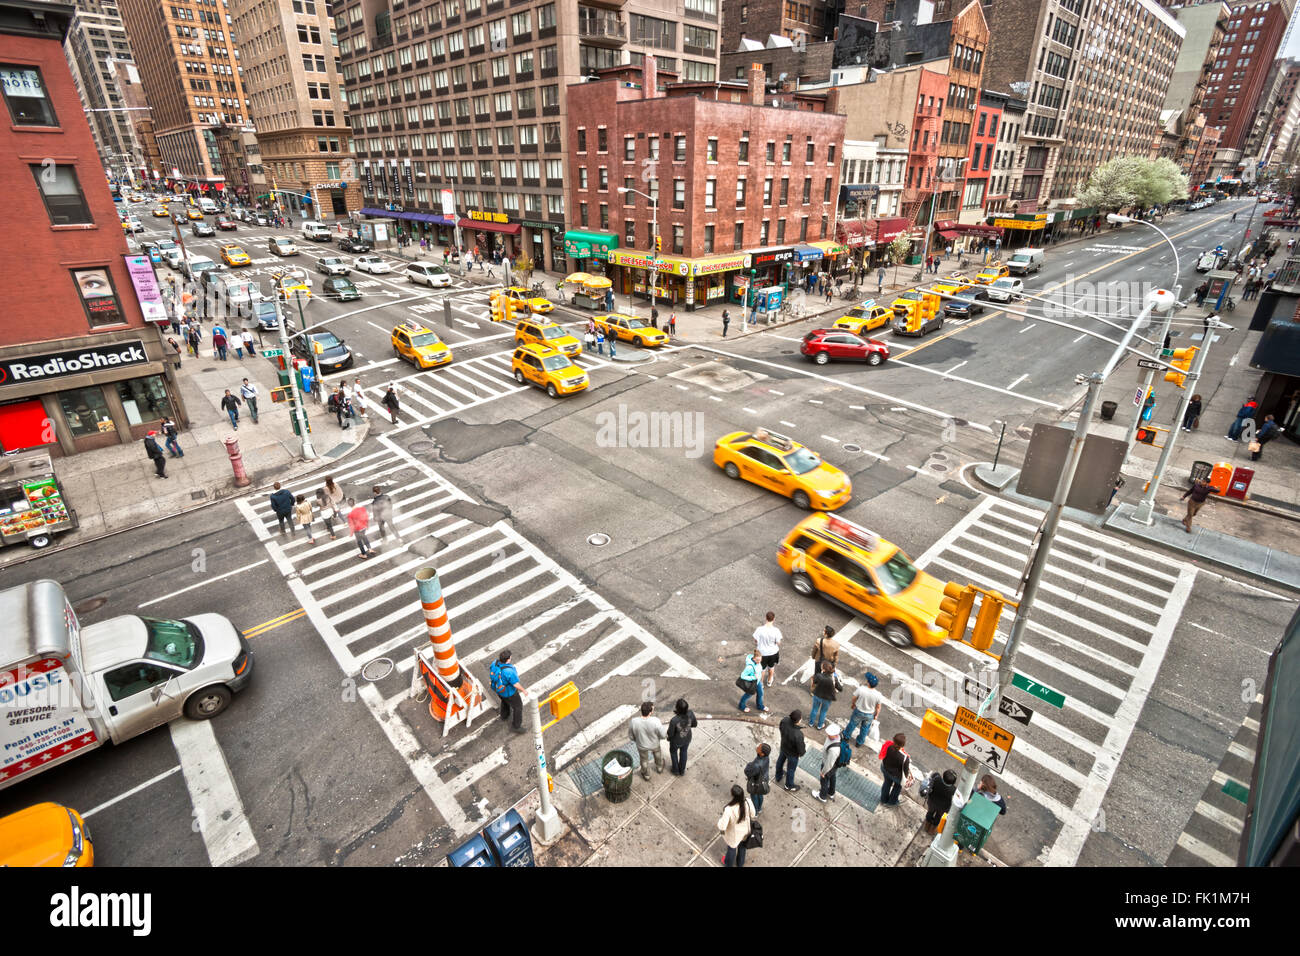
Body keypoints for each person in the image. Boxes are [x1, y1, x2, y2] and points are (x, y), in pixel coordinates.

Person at [717, 785, 756, 868]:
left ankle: (728, 864)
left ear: (733, 796)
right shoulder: (748, 801)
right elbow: (753, 814)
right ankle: (740, 863)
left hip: (734, 835)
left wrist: (722, 833)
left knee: (731, 850)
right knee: (742, 848)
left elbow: (722, 827)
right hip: (746, 831)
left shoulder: (729, 809)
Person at [487, 650, 525, 733]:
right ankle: (516, 726)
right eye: (510, 658)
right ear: (508, 660)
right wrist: (524, 691)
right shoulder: (508, 671)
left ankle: (504, 715)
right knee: (518, 707)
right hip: (509, 693)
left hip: (498, 690)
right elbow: (515, 684)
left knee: (504, 701)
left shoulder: (494, 663)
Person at [628, 701, 667, 779]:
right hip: (655, 744)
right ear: (650, 712)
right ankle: (659, 767)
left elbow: (631, 737)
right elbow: (663, 735)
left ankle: (646, 775)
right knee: (657, 755)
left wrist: (638, 740)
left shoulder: (634, 721)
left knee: (644, 760)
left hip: (641, 745)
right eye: (652, 709)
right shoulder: (656, 721)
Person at [843, 672, 882, 746]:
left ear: (868, 683)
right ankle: (859, 742)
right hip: (869, 714)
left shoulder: (861, 689)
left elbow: (854, 698)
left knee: (852, 724)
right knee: (865, 729)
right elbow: (878, 707)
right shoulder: (878, 695)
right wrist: (876, 715)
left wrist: (853, 704)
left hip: (859, 711)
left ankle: (846, 737)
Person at [774, 709, 806, 792]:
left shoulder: (784, 721)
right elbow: (801, 748)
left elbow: (781, 729)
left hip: (784, 747)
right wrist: (801, 753)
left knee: (780, 761)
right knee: (791, 770)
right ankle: (789, 785)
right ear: (798, 720)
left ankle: (778, 776)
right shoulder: (798, 734)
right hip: (793, 754)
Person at [878, 733, 913, 806]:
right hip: (896, 776)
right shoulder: (905, 758)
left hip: (886, 769)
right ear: (902, 745)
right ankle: (891, 802)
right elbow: (905, 772)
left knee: (887, 784)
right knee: (897, 787)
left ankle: (883, 800)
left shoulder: (889, 746)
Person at [815, 723, 844, 803]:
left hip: (829, 766)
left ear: (835, 735)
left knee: (824, 781)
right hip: (835, 765)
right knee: (832, 777)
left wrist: (823, 772)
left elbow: (829, 764)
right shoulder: (839, 737)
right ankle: (831, 792)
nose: (828, 735)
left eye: (830, 734)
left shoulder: (834, 751)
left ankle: (822, 796)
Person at [667, 698, 697, 775]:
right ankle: (682, 770)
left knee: (673, 753)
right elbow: (695, 724)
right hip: (687, 739)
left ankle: (676, 770)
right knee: (684, 752)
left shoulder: (674, 720)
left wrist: (669, 738)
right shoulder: (691, 713)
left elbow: (670, 733)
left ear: (677, 708)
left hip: (676, 741)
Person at [923, 768, 958, 833]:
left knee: (929, 813)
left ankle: (926, 826)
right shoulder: (953, 789)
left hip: (932, 802)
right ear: (953, 782)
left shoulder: (937, 779)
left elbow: (932, 779)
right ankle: (932, 830)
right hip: (943, 807)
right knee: (938, 818)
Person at [809, 660, 840, 730]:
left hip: (817, 695)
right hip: (827, 698)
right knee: (823, 712)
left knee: (814, 709)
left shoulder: (819, 676)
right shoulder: (833, 678)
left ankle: (811, 723)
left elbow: (814, 682)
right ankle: (819, 726)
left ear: (823, 669)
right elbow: (840, 688)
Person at [753, 610, 782, 687]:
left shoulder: (759, 629)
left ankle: (761, 683)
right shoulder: (776, 631)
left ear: (766, 618)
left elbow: (755, 640)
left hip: (762, 653)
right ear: (774, 619)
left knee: (762, 669)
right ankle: (769, 681)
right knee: (771, 667)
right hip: (773, 652)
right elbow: (778, 643)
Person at [744, 742, 771, 813]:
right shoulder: (766, 757)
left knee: (754, 796)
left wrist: (749, 765)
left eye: (759, 748)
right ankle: (759, 808)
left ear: (762, 753)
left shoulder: (757, 765)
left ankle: (755, 811)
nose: (757, 747)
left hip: (756, 783)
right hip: (764, 780)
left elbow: (747, 772)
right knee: (760, 794)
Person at [737, 648, 766, 713]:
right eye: (758, 660)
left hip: (757, 681)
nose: (759, 662)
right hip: (752, 683)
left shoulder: (757, 662)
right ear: (754, 658)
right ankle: (741, 706)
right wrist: (753, 677)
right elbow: (742, 676)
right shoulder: (749, 667)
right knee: (748, 695)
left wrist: (760, 679)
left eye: (760, 660)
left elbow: (759, 670)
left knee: (760, 693)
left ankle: (760, 706)